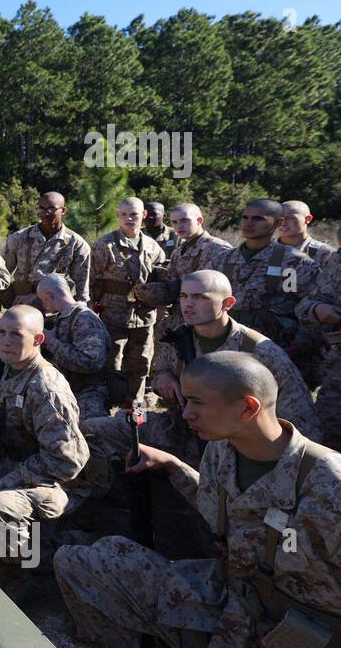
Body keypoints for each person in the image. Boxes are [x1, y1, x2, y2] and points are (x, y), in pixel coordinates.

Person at [55, 351, 341, 648]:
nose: (185, 413)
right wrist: (175, 467)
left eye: (197, 403)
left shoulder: (328, 485)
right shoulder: (222, 452)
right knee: (89, 564)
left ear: (248, 408)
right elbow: (231, 511)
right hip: (230, 595)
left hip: (306, 644)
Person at [84, 271, 321, 467]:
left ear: (228, 303)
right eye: (185, 296)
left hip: (233, 442)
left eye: (200, 297)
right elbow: (160, 373)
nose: (188, 304)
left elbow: (301, 421)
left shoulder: (260, 352)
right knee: (95, 429)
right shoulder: (179, 337)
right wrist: (164, 379)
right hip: (181, 425)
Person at [0, 306, 89, 596]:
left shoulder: (45, 387)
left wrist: (5, 482)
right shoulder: (8, 368)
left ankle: (19, 573)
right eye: (1, 332)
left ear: (38, 339)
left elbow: (66, 462)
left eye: (16, 334)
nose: (6, 341)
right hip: (15, 463)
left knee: (0, 505)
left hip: (51, 482)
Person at [216, 200, 320, 377]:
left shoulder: (293, 262)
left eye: (258, 219)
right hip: (227, 350)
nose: (248, 223)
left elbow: (309, 307)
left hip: (274, 353)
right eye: (245, 217)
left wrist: (297, 347)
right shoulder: (223, 260)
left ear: (278, 223)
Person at [90, 198, 168, 406]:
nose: (129, 219)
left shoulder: (152, 246)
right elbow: (91, 279)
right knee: (111, 363)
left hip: (144, 317)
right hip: (112, 316)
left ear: (143, 216)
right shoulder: (104, 244)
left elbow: (162, 278)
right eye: (124, 214)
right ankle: (108, 406)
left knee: (141, 363)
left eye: (134, 214)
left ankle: (134, 407)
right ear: (118, 216)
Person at [134, 202, 231, 337]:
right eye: (175, 222)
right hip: (180, 320)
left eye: (184, 220)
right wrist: (149, 291)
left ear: (199, 220)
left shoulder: (219, 250)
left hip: (207, 323)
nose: (179, 225)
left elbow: (227, 292)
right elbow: (172, 288)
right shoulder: (178, 252)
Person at [36, 274, 111, 421]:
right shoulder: (64, 317)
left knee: (89, 433)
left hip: (87, 392)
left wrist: (51, 341)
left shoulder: (84, 318)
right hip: (68, 389)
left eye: (42, 299)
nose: (43, 305)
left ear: (49, 295)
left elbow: (90, 363)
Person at [2, 191, 91, 308]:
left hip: (56, 310)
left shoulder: (77, 244)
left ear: (63, 211)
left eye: (51, 208)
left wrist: (79, 314)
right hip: (22, 308)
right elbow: (1, 274)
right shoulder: (19, 238)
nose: (45, 213)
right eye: (42, 208)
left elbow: (82, 289)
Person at [297, 247, 341, 450]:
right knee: (328, 443)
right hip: (337, 381)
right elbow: (305, 305)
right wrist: (317, 309)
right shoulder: (337, 273)